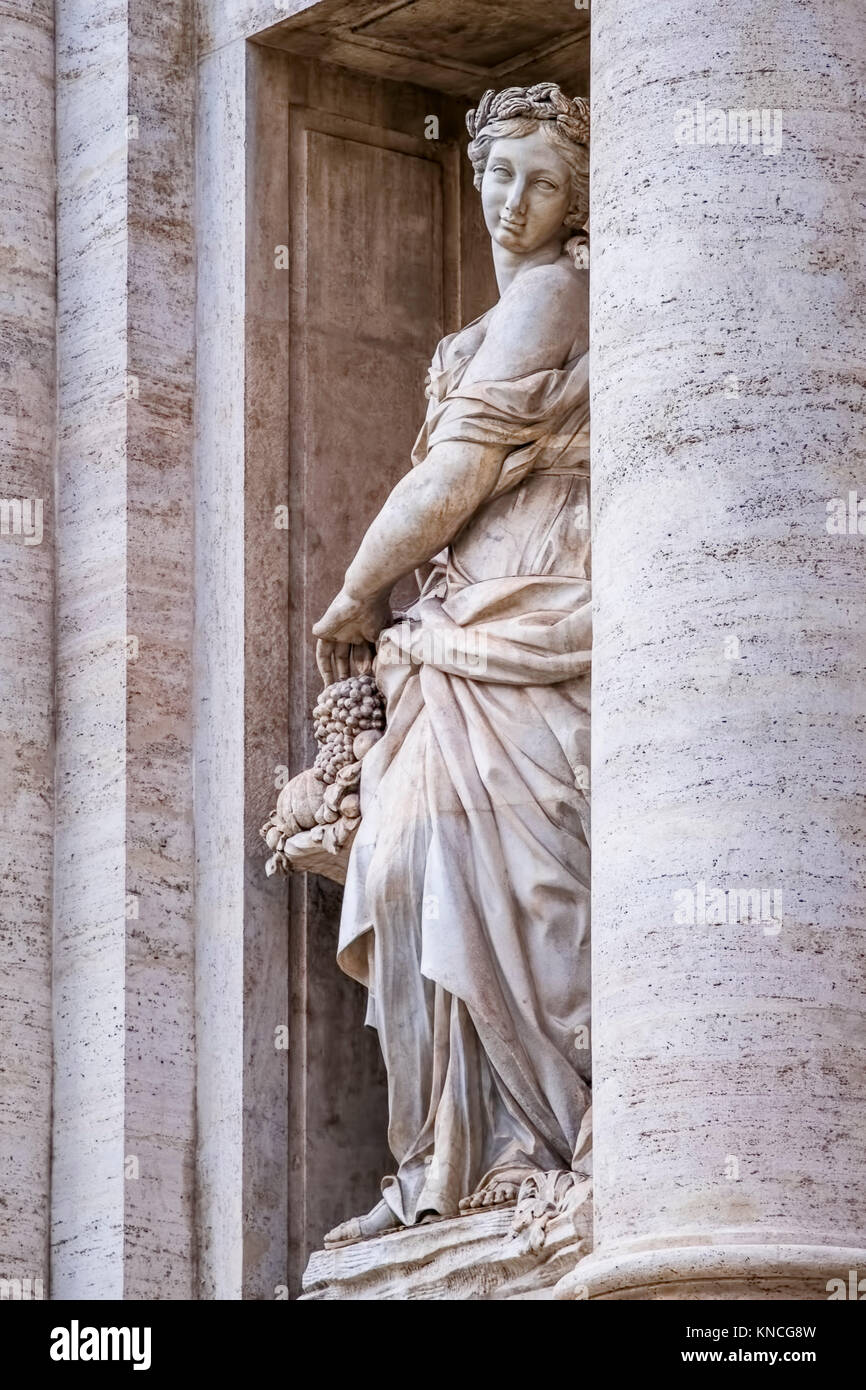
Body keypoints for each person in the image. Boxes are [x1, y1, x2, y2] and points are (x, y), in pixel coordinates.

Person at [312, 83, 592, 1247]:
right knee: (403, 856)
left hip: (533, 612)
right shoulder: (479, 323)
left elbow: (456, 478)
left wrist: (351, 589)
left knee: (526, 875)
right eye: (493, 172)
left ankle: (546, 1135)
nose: (510, 200)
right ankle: (444, 1156)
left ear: (576, 193)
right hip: (452, 628)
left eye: (539, 177)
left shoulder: (559, 292)